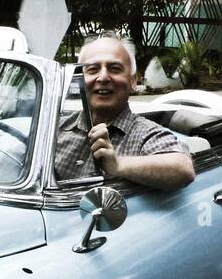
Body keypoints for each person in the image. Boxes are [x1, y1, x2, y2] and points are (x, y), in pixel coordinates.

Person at [55, 35, 195, 191]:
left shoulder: (146, 134)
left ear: (133, 81)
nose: (103, 77)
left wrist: (117, 164)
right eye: (93, 69)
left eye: (115, 69)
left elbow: (183, 168)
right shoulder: (56, 127)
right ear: (80, 79)